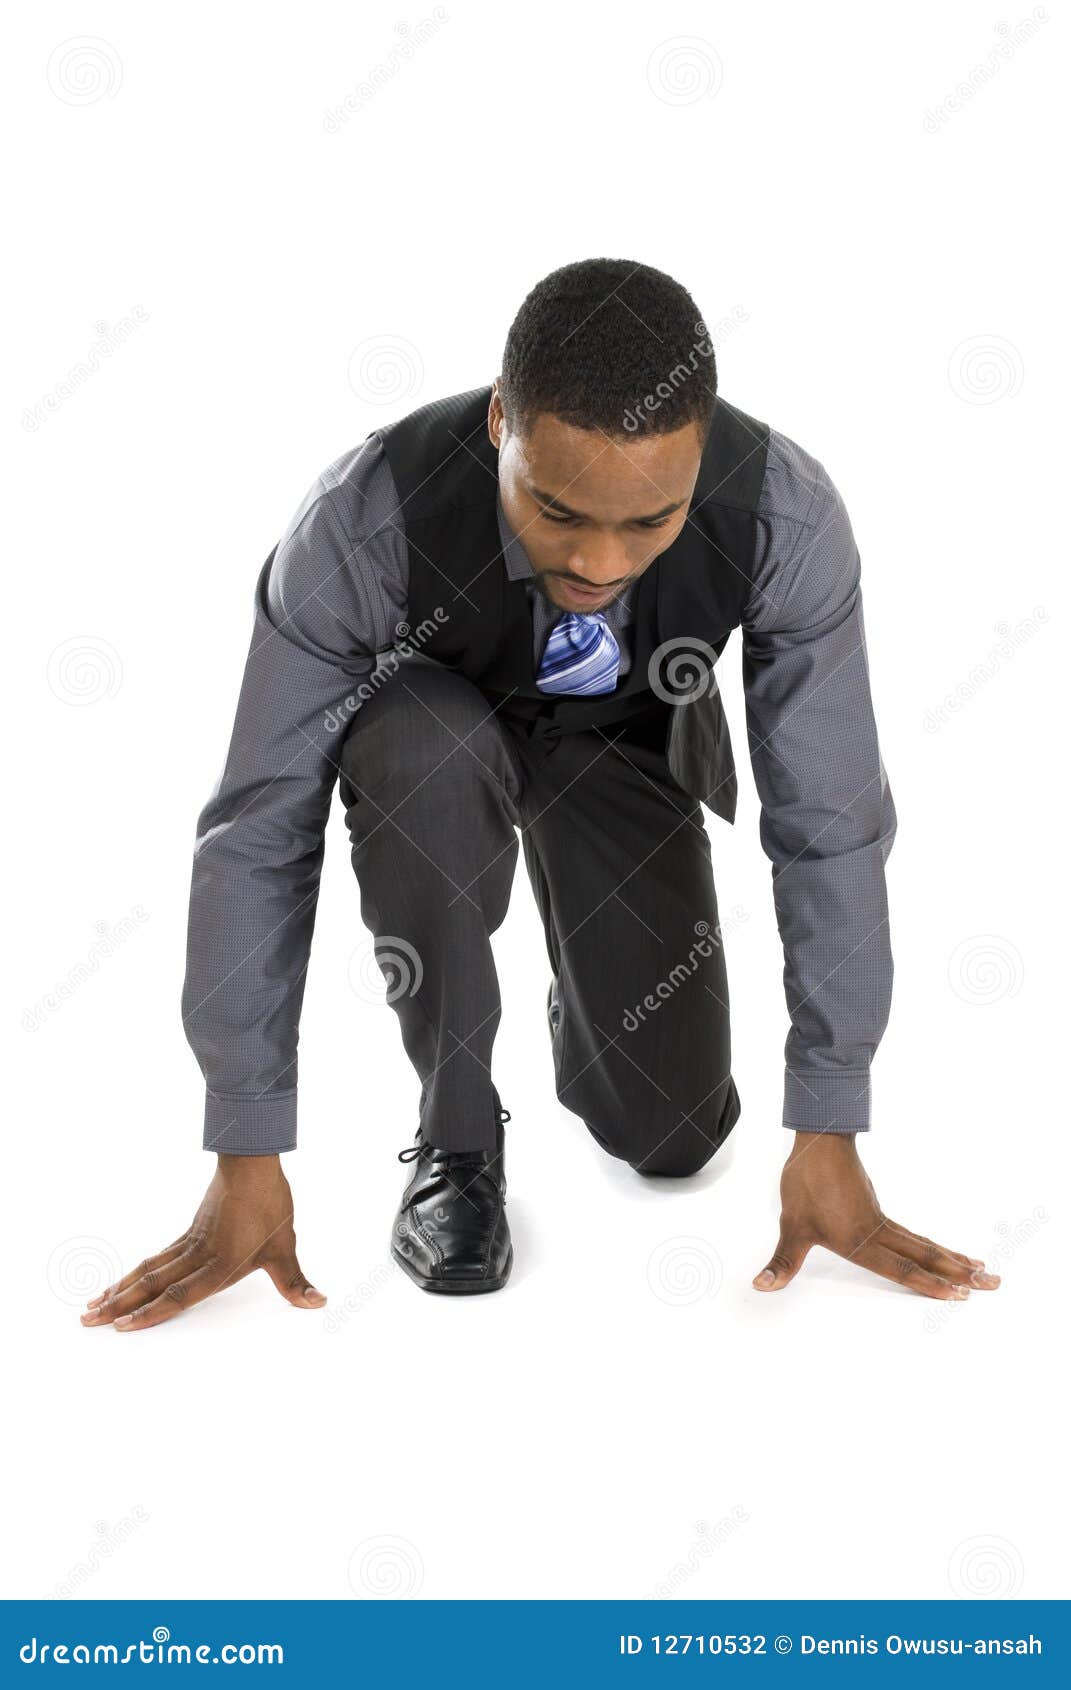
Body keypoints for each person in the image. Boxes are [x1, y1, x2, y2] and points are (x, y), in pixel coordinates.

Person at [81, 258, 1000, 1330]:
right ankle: (459, 1138)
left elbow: (831, 819)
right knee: (424, 750)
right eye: (558, 510)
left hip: (624, 744)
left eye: (649, 523)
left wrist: (831, 1122)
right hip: (438, 735)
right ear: (499, 423)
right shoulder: (362, 519)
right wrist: (245, 1146)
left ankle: (591, 981)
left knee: (676, 1134)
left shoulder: (784, 515)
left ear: (698, 459)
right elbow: (259, 826)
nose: (600, 561)